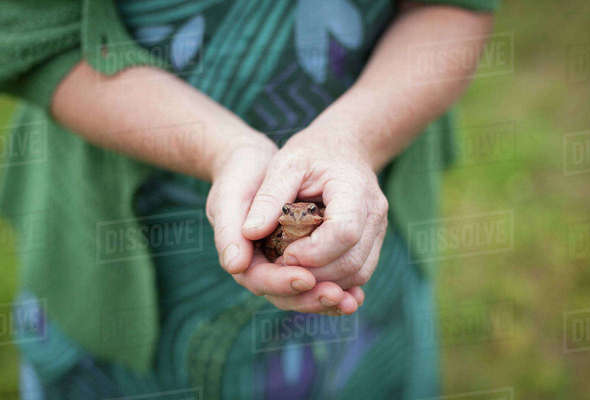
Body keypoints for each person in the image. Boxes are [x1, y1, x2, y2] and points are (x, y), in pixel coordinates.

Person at [0, 0, 498, 398]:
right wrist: (225, 148)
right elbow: (37, 34)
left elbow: (452, 7)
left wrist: (351, 139)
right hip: (114, 269)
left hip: (362, 240)